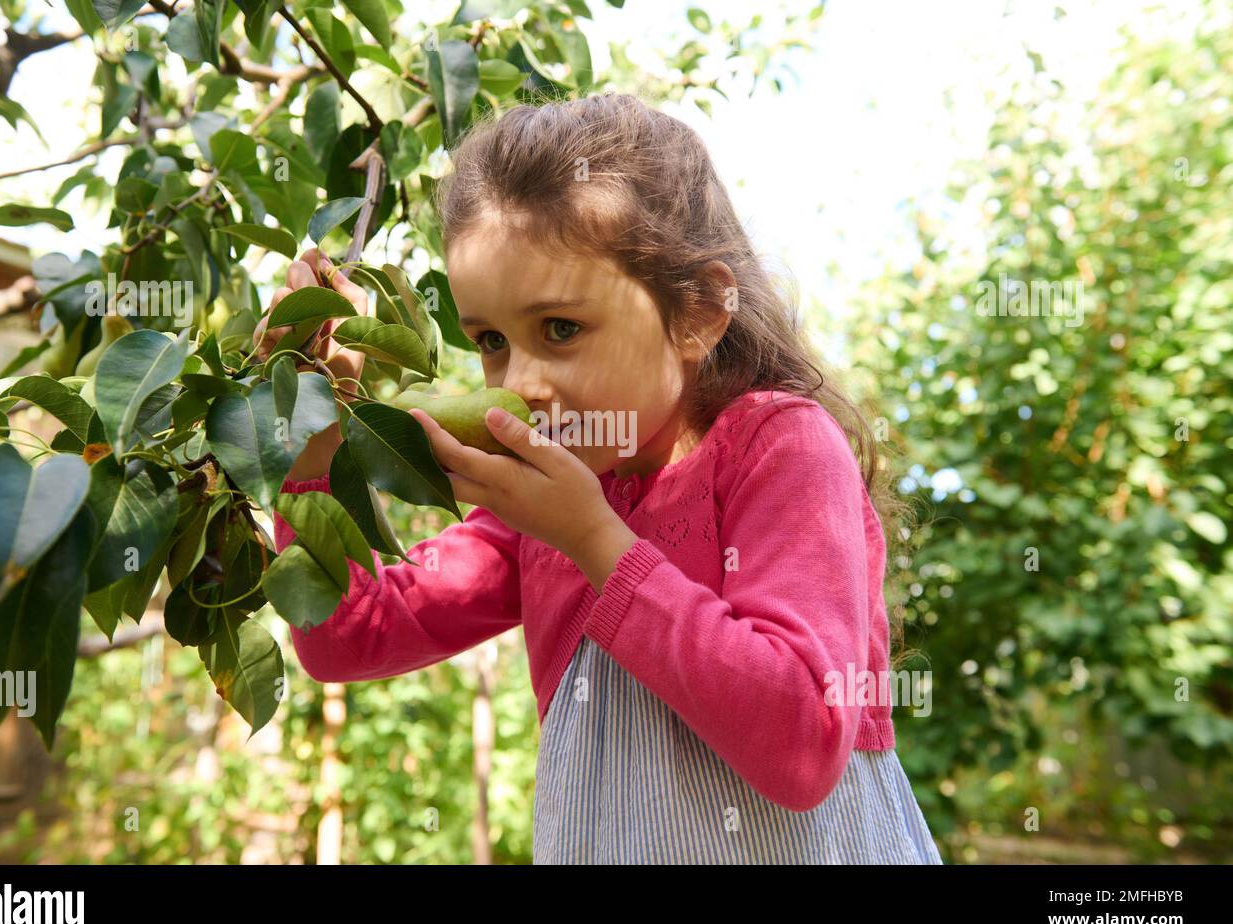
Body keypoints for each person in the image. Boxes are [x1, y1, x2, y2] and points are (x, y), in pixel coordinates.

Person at [253, 92, 942, 865]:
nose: (524, 381)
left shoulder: (777, 450)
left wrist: (595, 544)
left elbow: (804, 736)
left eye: (560, 329)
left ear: (700, 313)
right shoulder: (543, 509)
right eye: (489, 341)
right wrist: (311, 444)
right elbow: (349, 635)